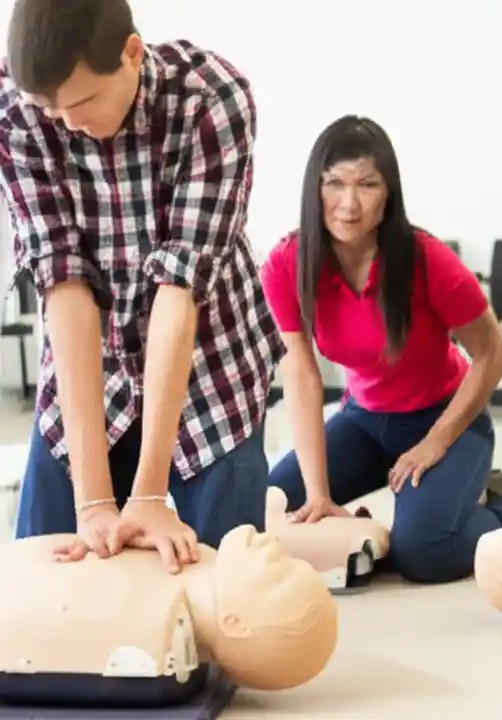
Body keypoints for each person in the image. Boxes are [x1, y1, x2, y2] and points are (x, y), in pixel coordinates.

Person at [0, 0, 283, 571]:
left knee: (223, 595)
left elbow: (178, 295)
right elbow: (63, 285)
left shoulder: (211, 99)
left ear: (132, 53)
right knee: (42, 583)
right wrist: (95, 501)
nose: (65, 122)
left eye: (81, 102)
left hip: (209, 367)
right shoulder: (17, 109)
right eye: (47, 107)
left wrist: (149, 495)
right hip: (90, 369)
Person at [260, 115, 502, 584]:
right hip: (363, 420)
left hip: (445, 419)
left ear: (388, 195)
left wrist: (435, 442)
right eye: (334, 183)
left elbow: (492, 355)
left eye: (367, 184)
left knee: (424, 554)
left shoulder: (428, 260)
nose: (348, 203)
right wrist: (320, 497)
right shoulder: (287, 263)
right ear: (314, 189)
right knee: (274, 503)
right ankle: (373, 522)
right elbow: (302, 377)